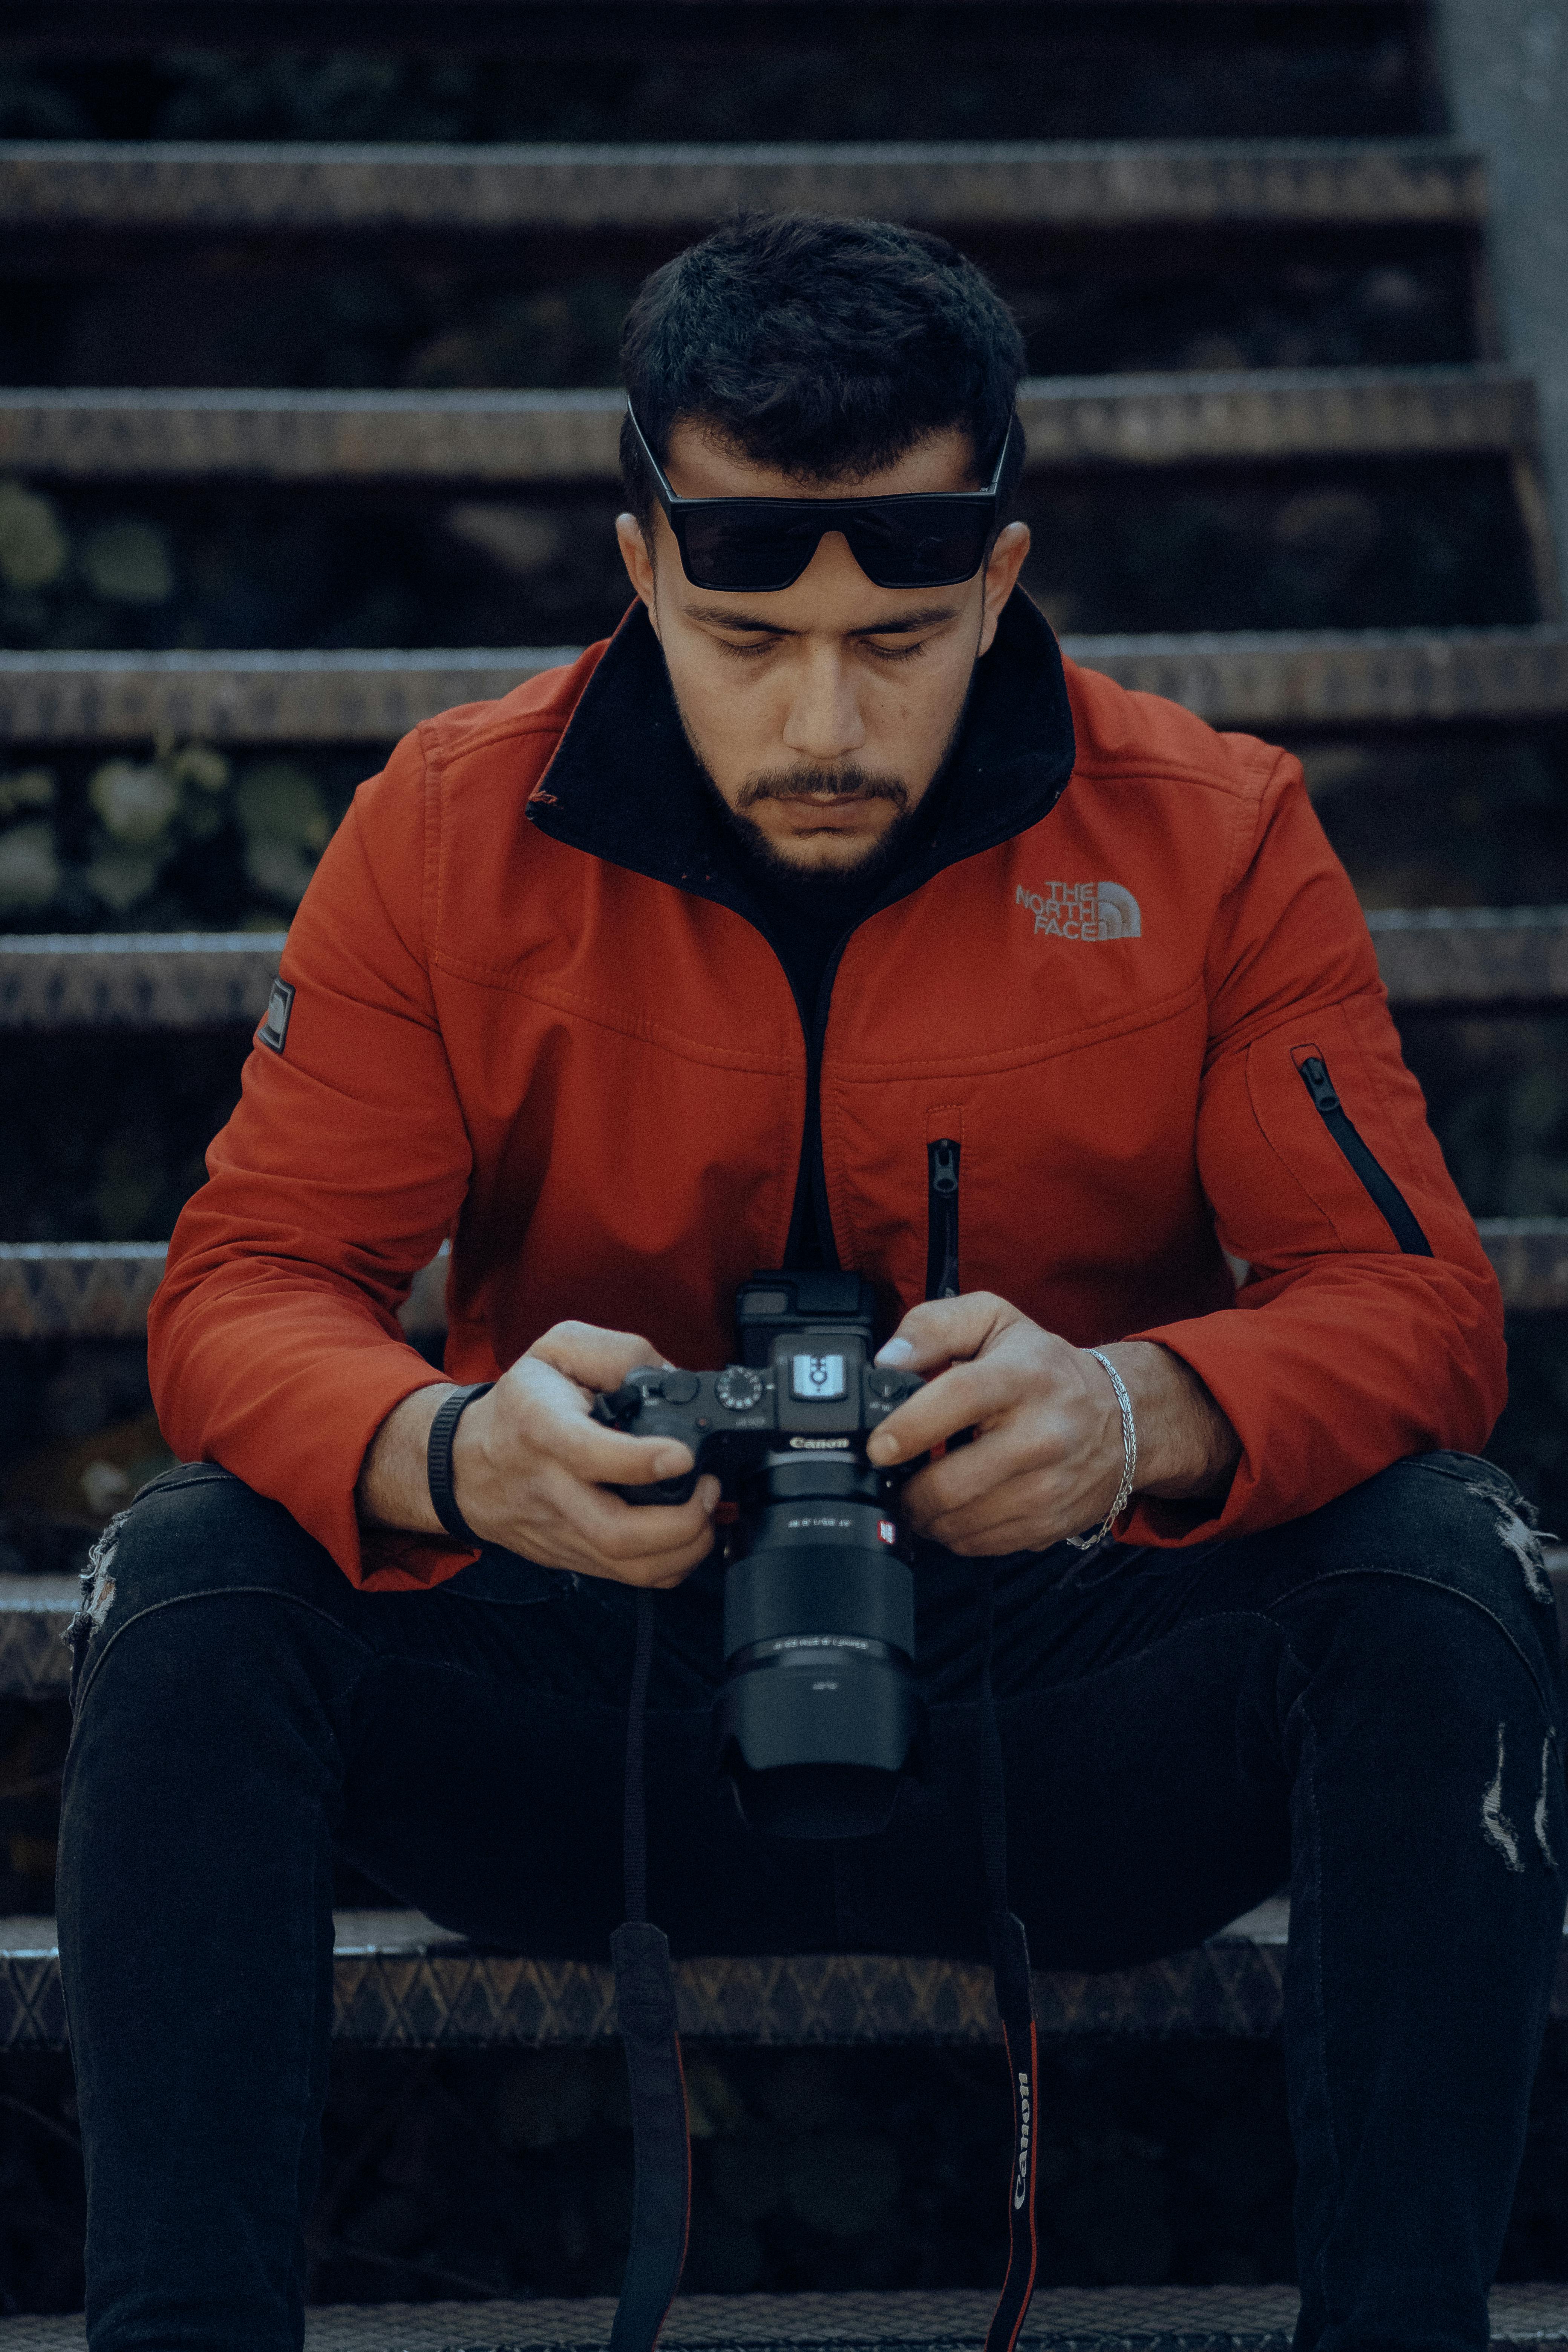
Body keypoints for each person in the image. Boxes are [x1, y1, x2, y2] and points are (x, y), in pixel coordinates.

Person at [58, 213, 1563, 2352]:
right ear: (646, 567)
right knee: (192, 1578)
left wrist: (1140, 1413)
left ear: (1006, 582)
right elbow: (244, 1288)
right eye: (757, 644)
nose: (831, 720)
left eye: (906, 635)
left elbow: (1419, 1308)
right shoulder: (446, 831)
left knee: (1446, 1561)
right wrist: (454, 1452)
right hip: (598, 1695)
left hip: (1058, 1707)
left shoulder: (1214, 834)